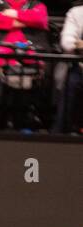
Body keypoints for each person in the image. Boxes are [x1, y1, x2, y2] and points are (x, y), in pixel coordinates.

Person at [0, 0, 50, 129]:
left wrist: (14, 14)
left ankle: (29, 121)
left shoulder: (37, 4)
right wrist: (24, 22)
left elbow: (40, 19)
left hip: (30, 63)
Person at [54, 3, 83, 133]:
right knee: (71, 83)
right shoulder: (76, 12)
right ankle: (59, 132)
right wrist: (78, 45)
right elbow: (67, 42)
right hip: (79, 67)